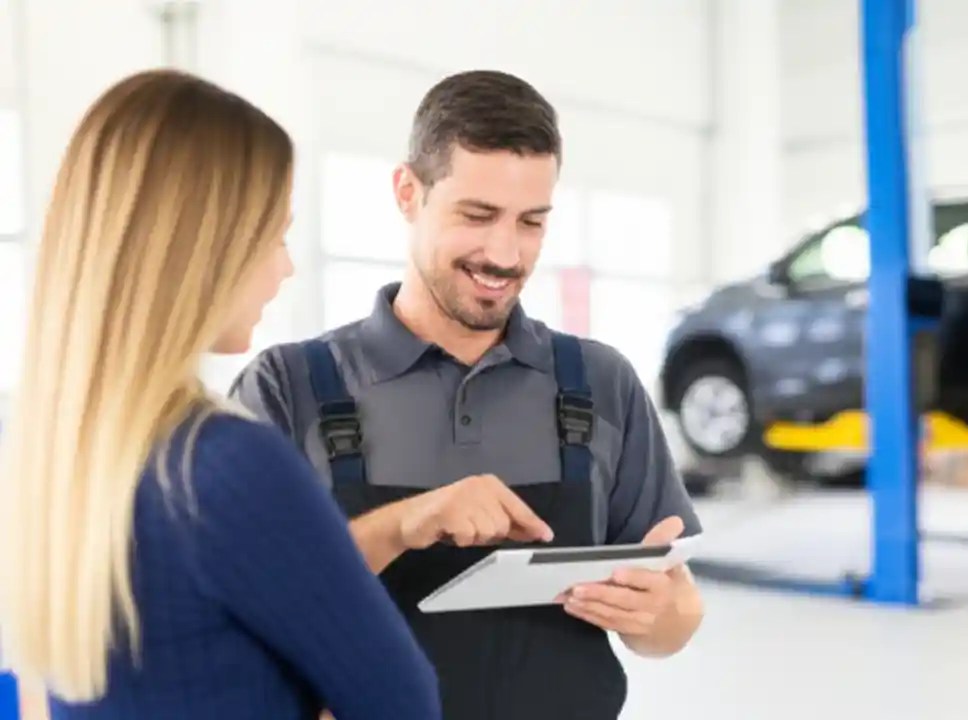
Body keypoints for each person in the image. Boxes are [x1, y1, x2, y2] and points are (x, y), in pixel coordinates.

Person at [229, 69, 705, 719]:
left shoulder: (599, 384)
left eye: (532, 222)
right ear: (408, 193)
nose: (505, 253)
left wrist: (657, 615)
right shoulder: (288, 388)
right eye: (477, 216)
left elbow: (674, 620)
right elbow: (244, 611)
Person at [0, 69, 442, 720]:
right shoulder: (220, 463)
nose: (284, 267)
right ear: (201, 248)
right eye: (274, 235)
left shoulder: (59, 453)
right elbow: (404, 705)